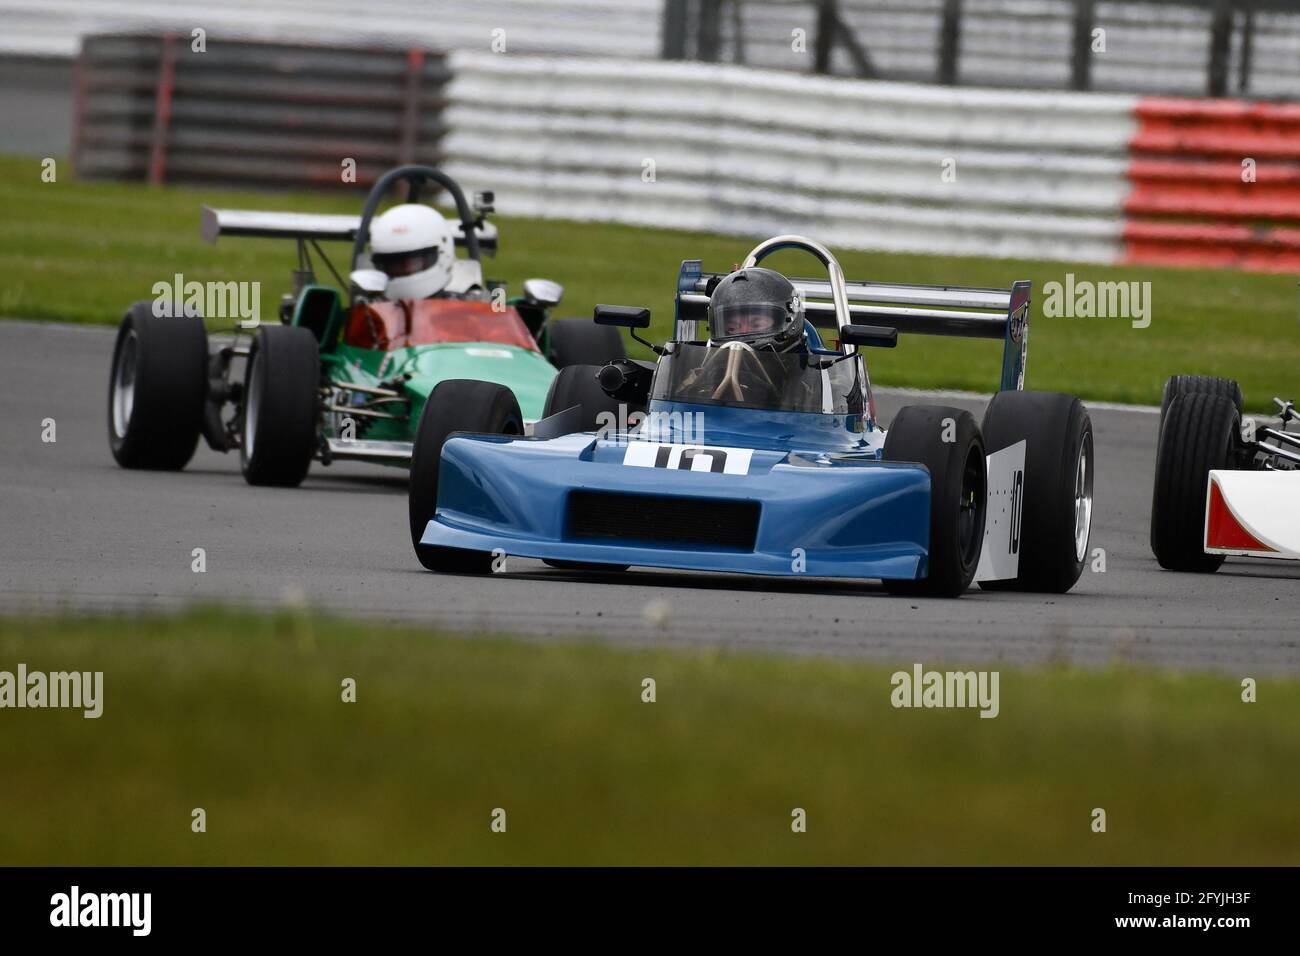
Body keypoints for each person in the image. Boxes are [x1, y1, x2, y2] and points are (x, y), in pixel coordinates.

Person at [367, 204, 456, 300]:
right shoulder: (371, 310)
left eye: (415, 262)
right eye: (394, 264)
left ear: (443, 252)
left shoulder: (466, 309)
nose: (405, 268)